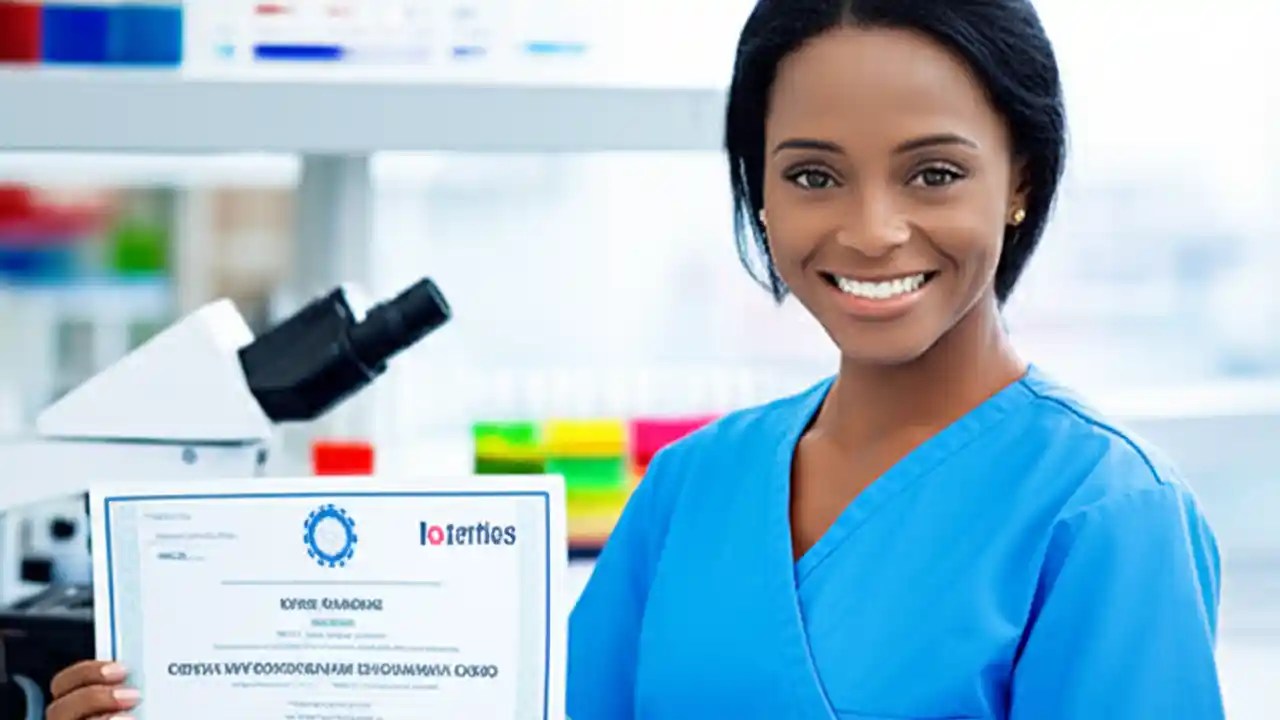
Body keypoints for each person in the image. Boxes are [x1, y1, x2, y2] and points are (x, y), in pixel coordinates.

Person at [44, 1, 1224, 719]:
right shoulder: (693, 489)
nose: (868, 229)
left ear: (1019, 178)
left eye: (932, 172)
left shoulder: (1103, 514)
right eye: (811, 174)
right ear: (757, 193)